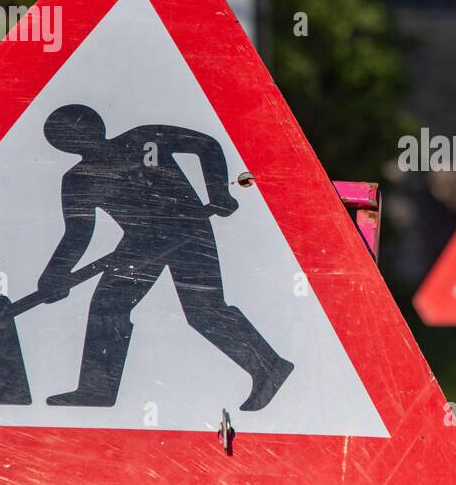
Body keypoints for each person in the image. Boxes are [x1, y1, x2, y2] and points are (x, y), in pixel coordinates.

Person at [37, 104, 294, 410]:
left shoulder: (143, 138)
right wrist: (55, 274)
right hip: (140, 244)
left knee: (204, 310)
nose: (77, 138)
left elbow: (205, 145)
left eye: (77, 131)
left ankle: (270, 367)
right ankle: (97, 391)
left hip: (187, 229)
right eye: (67, 136)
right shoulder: (78, 179)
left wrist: (218, 193)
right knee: (107, 306)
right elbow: (78, 232)